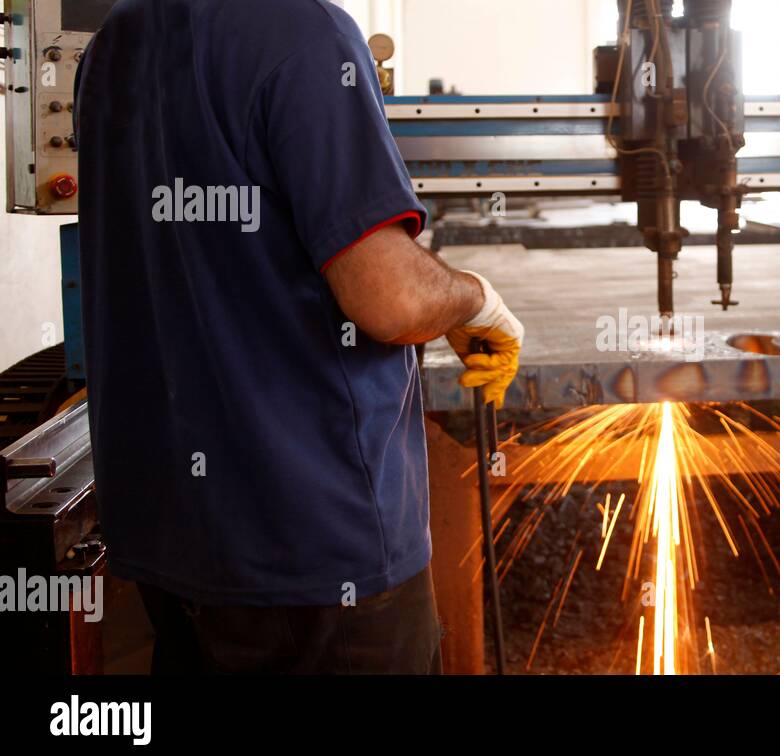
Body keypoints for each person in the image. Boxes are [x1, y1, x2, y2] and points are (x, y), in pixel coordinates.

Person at [74, 0, 522, 673]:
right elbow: (392, 299)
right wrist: (475, 301)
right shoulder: (304, 33)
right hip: (316, 556)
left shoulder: (112, 46)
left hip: (170, 547)